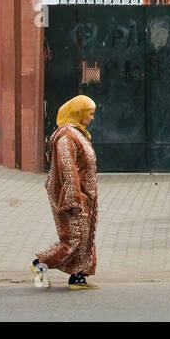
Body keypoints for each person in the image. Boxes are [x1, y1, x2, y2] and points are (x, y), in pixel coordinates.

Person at [30, 95, 100, 289]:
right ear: (79, 113)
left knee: (86, 236)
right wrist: (73, 200)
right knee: (74, 238)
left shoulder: (78, 133)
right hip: (71, 197)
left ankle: (78, 277)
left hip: (85, 195)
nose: (92, 118)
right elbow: (67, 169)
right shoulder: (66, 136)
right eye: (90, 114)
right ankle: (39, 264)